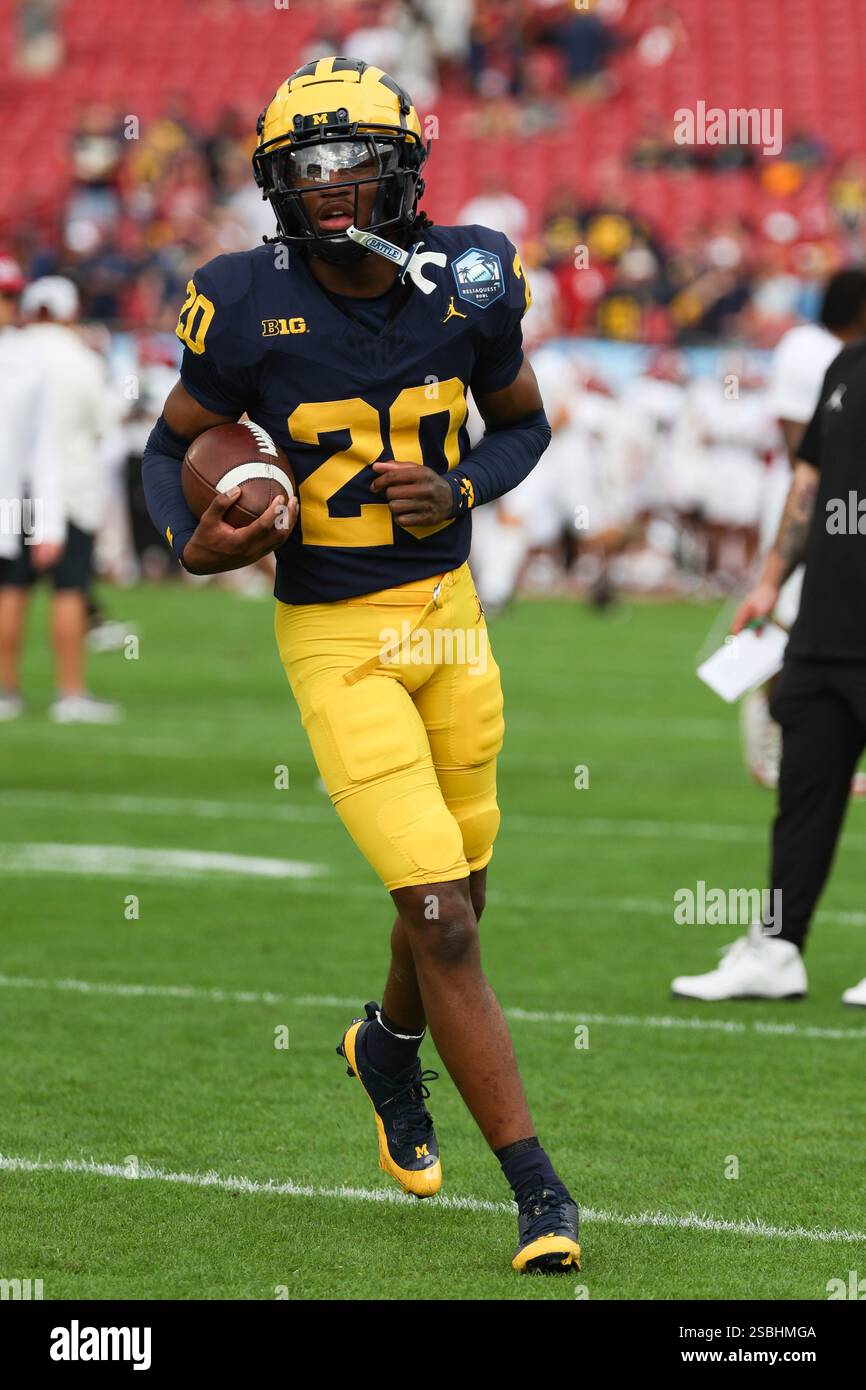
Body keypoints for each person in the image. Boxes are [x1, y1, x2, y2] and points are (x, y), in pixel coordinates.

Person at [141, 57, 580, 1274]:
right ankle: (540, 1191)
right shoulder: (238, 299)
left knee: (457, 893)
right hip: (334, 634)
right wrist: (196, 541)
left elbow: (524, 422)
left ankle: (386, 1044)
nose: (333, 193)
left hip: (450, 619)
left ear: (403, 173)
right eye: (308, 174)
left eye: (354, 168)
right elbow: (164, 448)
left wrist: (462, 484)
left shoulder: (472, 278)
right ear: (277, 188)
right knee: (439, 917)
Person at [671, 320, 866, 1007]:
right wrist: (769, 579)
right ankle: (779, 951)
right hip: (821, 629)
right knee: (802, 801)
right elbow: (808, 483)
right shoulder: (846, 365)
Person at [740, 270, 866, 789]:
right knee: (789, 621)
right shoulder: (806, 348)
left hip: (843, 501)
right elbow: (801, 449)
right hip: (807, 497)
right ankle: (766, 724)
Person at [2, 275, 120, 723]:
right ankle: (70, 693)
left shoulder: (13, 353)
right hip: (69, 485)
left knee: (11, 586)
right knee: (70, 587)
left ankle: (6, 690)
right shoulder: (81, 359)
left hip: (13, 489)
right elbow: (103, 425)